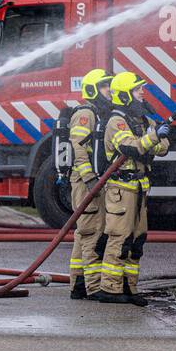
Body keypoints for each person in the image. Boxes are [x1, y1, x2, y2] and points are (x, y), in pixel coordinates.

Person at [97, 71, 171, 306]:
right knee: (120, 238)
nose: (142, 92)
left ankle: (130, 288)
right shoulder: (116, 121)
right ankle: (110, 288)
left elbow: (164, 147)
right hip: (122, 188)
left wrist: (152, 139)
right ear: (125, 94)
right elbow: (130, 147)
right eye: (137, 89)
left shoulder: (143, 120)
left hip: (141, 188)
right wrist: (151, 140)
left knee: (137, 240)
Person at [67, 68, 111, 299]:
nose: (110, 91)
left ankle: (78, 284)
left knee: (82, 233)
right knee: (92, 232)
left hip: (87, 181)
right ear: (93, 89)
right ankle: (94, 288)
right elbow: (78, 147)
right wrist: (91, 179)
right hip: (86, 183)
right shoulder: (86, 114)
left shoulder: (96, 113)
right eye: (105, 86)